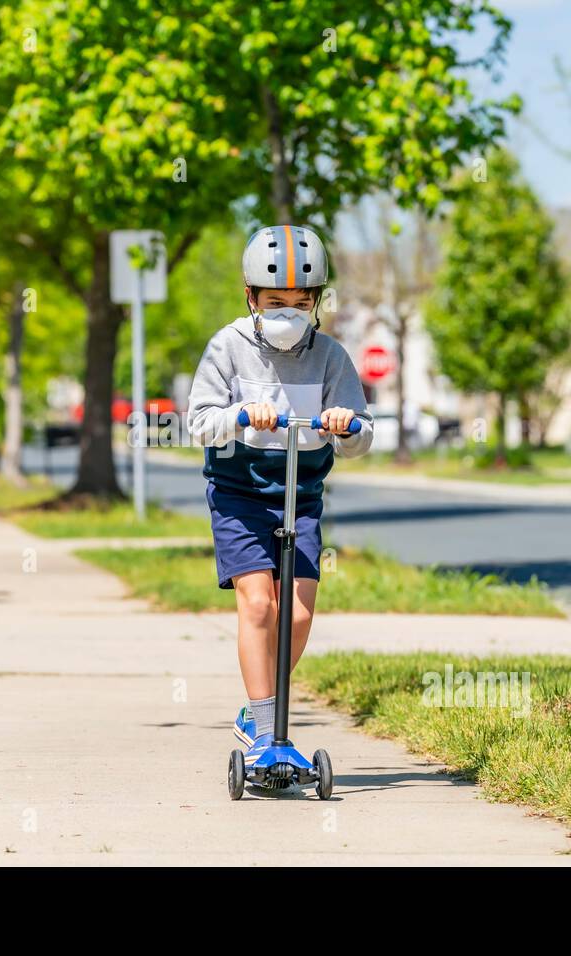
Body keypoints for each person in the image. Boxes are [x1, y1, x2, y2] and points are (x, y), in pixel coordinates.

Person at [185, 224, 373, 755]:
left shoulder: (331, 356)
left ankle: (257, 706)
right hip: (239, 495)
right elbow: (198, 422)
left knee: (298, 613)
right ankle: (266, 730)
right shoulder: (228, 347)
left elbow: (364, 436)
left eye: (300, 301)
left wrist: (345, 424)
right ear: (251, 297)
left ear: (316, 301)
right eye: (275, 301)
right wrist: (239, 414)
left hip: (301, 495)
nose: (288, 311)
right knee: (261, 607)